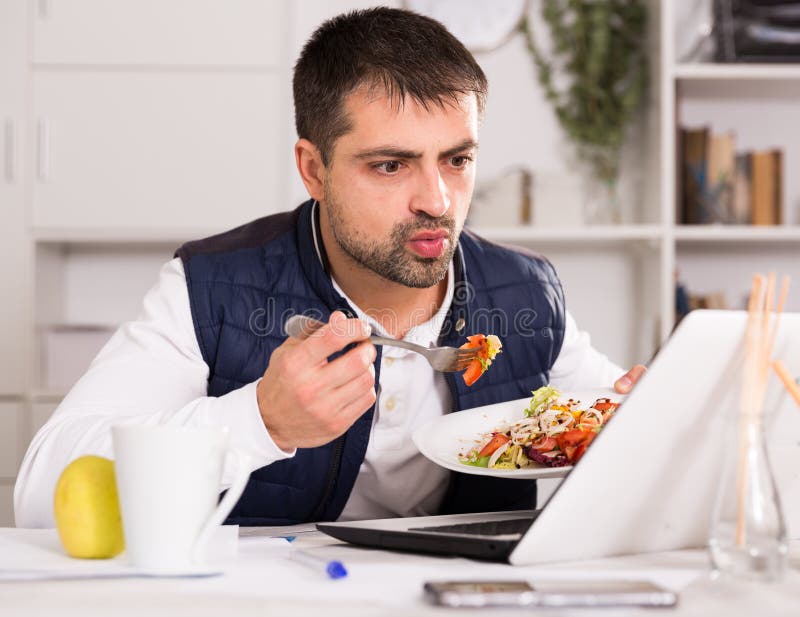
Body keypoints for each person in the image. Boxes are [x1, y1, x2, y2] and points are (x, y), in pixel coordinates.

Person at [15, 7, 645, 527]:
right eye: (390, 165)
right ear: (313, 169)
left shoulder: (526, 293)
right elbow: (43, 493)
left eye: (457, 159)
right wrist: (260, 419)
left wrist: (648, 419)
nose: (438, 201)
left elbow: (612, 428)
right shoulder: (211, 289)